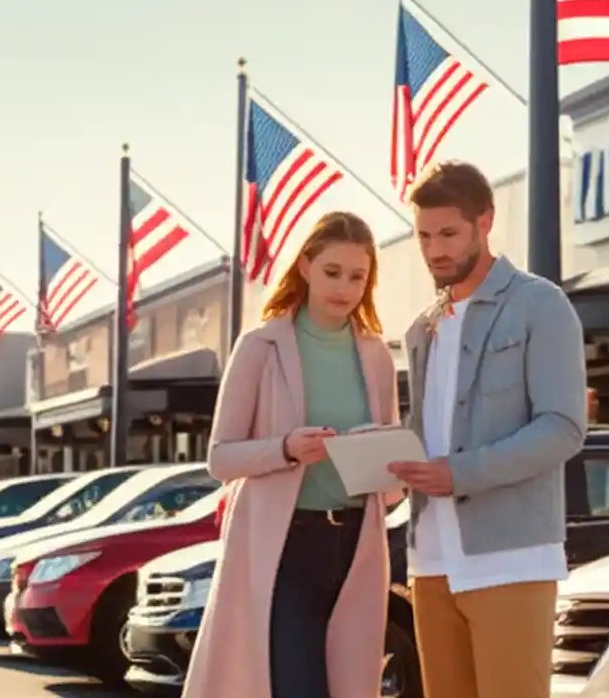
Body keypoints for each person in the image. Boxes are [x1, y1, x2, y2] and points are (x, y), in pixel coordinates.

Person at [388, 161, 588, 698]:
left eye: (449, 234)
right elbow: (426, 434)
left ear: (485, 222)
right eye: (424, 236)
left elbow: (564, 427)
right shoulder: (422, 327)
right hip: (429, 562)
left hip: (511, 558)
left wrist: (459, 473)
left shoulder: (539, 304)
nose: (435, 251)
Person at [182, 211, 402, 698]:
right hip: (283, 548)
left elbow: (390, 485)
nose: (344, 287)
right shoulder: (259, 347)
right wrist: (286, 448)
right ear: (304, 266)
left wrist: (385, 458)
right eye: (332, 272)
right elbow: (220, 458)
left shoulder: (376, 354)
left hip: (356, 550)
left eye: (357, 276)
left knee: (349, 687)